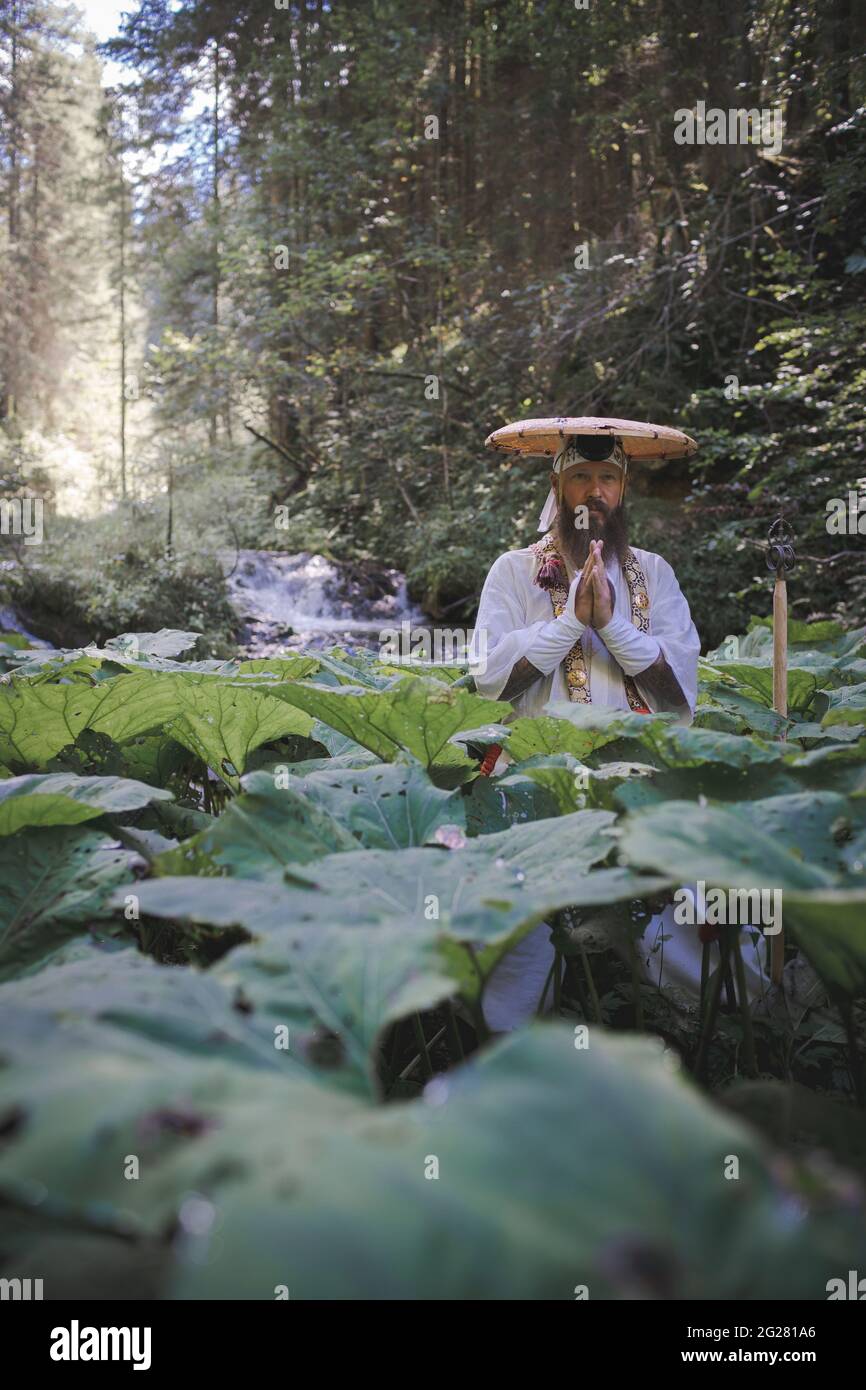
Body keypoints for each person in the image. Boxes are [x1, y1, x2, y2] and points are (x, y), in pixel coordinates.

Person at [468, 431, 770, 1030]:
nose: (595, 492)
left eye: (608, 480)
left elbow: (678, 687)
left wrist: (610, 626)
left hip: (641, 780)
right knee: (505, 911)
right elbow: (489, 681)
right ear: (558, 487)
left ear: (623, 490)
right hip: (535, 783)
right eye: (581, 477)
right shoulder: (513, 572)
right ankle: (518, 1046)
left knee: (707, 883)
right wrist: (564, 626)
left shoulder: (653, 575)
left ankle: (715, 1020)